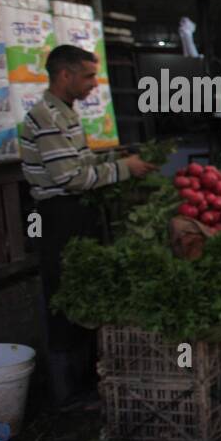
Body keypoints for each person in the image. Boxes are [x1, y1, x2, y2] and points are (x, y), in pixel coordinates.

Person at [18, 45, 155, 410]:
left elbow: (82, 162)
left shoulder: (65, 113)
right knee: (64, 298)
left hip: (76, 213)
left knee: (85, 295)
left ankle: (88, 385)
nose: (94, 84)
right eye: (89, 75)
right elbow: (69, 177)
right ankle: (67, 395)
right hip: (60, 216)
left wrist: (118, 159)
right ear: (65, 75)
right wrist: (126, 169)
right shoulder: (46, 116)